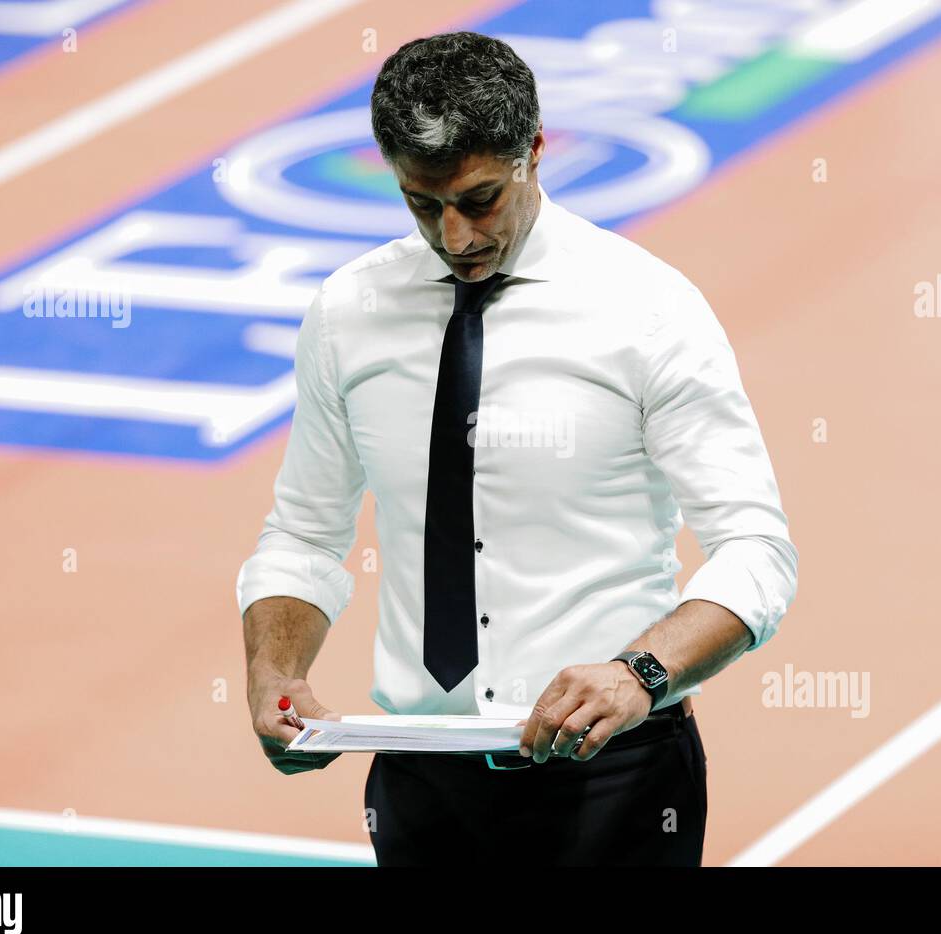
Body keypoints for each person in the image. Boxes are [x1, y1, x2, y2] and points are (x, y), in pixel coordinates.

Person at [237, 31, 798, 866]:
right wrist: (273, 667)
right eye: (423, 205)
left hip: (613, 779)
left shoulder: (648, 312)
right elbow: (305, 536)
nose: (455, 236)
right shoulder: (349, 313)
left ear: (536, 150)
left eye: (481, 199)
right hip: (422, 780)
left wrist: (636, 674)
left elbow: (757, 553)